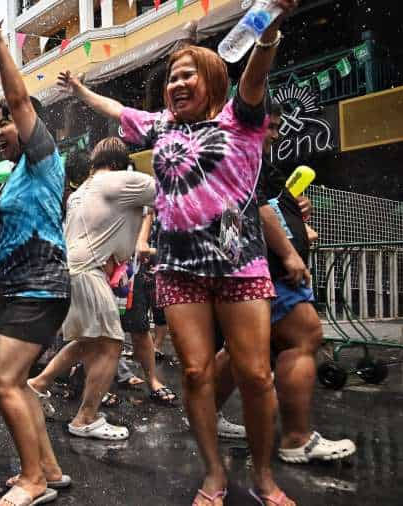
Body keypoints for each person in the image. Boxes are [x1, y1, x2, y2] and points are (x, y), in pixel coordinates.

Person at [57, 2, 301, 504]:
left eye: (187, 75)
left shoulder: (241, 120)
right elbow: (115, 111)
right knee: (193, 371)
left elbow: (254, 76)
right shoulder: (161, 127)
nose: (177, 84)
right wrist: (81, 91)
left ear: (212, 80)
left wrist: (270, 28)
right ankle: (212, 474)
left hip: (240, 265)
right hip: (180, 268)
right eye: (171, 78)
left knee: (255, 373)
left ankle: (264, 476)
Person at [211, 100, 356, 463]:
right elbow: (250, 212)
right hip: (267, 269)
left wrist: (294, 219)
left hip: (250, 268)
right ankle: (296, 439)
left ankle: (204, 415)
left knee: (240, 348)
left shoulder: (242, 159)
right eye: (270, 127)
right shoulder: (241, 156)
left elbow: (244, 215)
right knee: (304, 335)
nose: (275, 134)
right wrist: (288, 254)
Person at [0, 6, 71, 506]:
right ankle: (47, 468)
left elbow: (16, 94)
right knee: (20, 382)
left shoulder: (44, 154)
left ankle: (32, 480)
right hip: (15, 286)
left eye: (4, 123)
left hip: (42, 284)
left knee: (0, 379)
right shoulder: (13, 179)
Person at [26, 138, 155, 441]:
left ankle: (38, 385)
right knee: (110, 344)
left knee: (87, 342)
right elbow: (164, 186)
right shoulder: (115, 180)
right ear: (119, 165)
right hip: (89, 271)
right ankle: (86, 418)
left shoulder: (81, 191)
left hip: (74, 269)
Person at [119, 211, 178, 405]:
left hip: (130, 270)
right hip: (99, 264)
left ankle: (152, 380)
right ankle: (93, 384)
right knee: (98, 332)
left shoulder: (148, 204)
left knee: (139, 327)